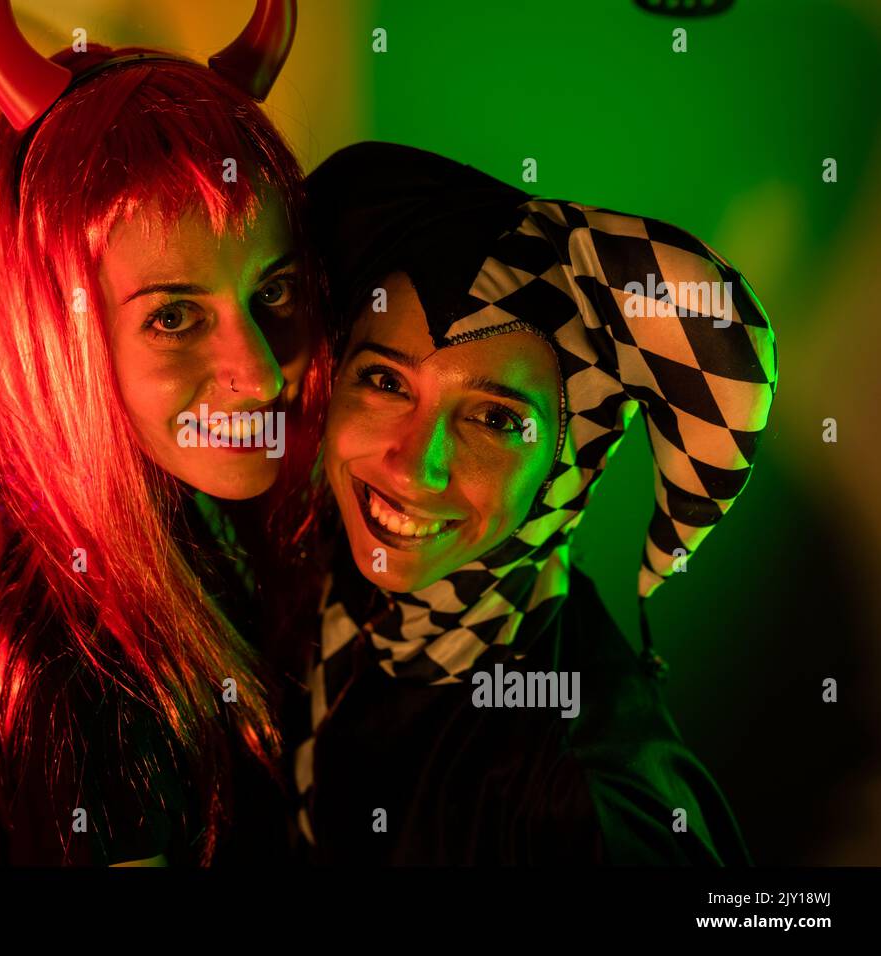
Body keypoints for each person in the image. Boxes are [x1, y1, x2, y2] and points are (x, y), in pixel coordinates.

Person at [288, 141, 777, 864]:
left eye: (494, 419)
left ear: (568, 465)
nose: (415, 469)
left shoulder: (586, 810)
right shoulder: (307, 566)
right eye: (386, 382)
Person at [0, 0, 327, 865]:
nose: (258, 374)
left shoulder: (221, 522)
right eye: (176, 316)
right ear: (55, 336)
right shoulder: (68, 687)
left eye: (277, 289)